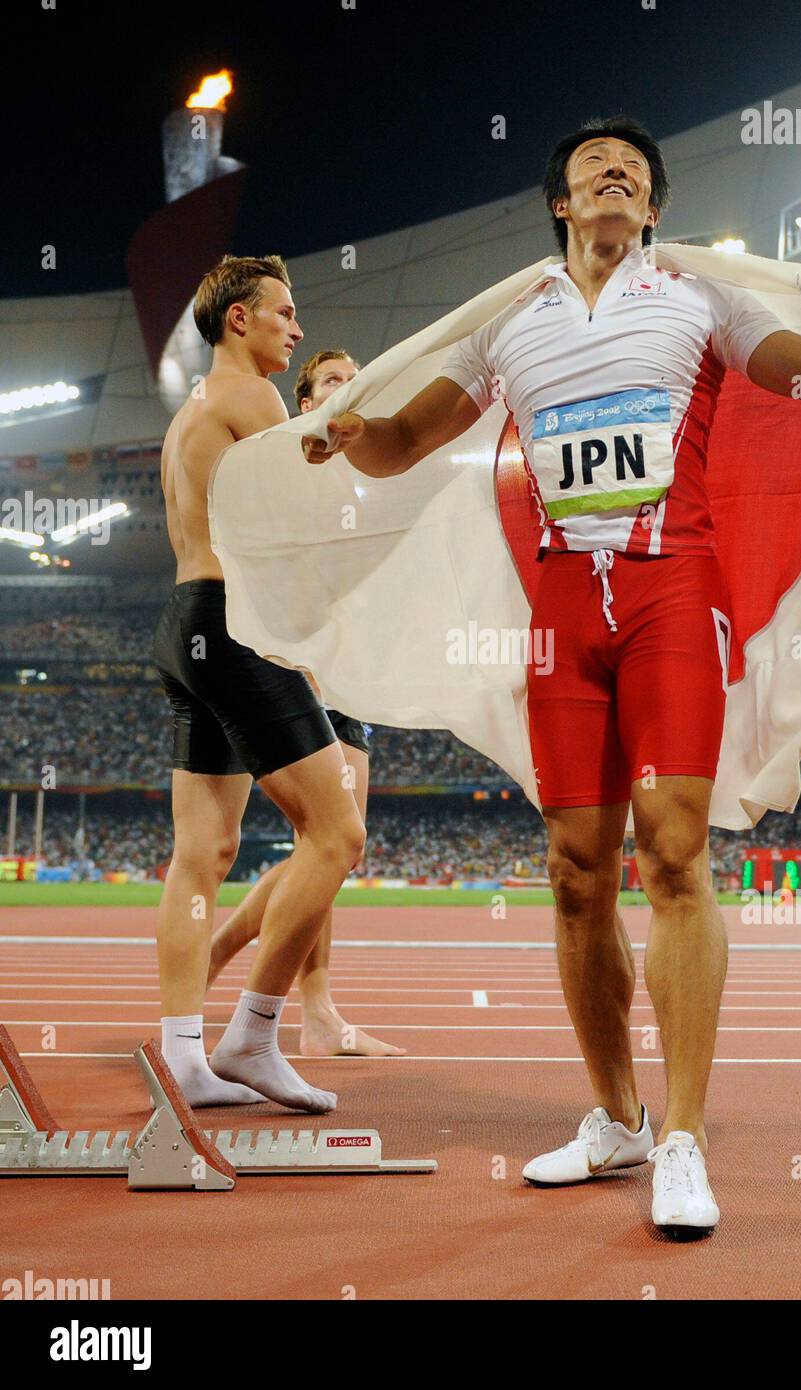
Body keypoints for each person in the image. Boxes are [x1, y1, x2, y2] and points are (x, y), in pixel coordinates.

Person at [301, 114, 801, 1232]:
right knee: (576, 869)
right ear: (562, 204)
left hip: (675, 592)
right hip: (561, 614)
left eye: (632, 170)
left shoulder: (697, 297)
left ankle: (683, 1136)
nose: (614, 175)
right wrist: (344, 435)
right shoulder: (509, 324)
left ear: (653, 207)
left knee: (672, 851)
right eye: (592, 169)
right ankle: (616, 1119)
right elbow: (399, 443)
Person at [153, 255, 366, 1111]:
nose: (298, 326)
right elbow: (301, 527)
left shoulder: (190, 417)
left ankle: (181, 1057)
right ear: (239, 320)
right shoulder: (254, 398)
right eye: (284, 312)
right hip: (233, 627)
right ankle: (252, 1033)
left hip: (183, 622)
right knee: (338, 834)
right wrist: (343, 446)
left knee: (202, 856)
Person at [207, 349, 404, 1059]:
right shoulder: (293, 464)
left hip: (356, 672)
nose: (344, 387)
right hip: (306, 665)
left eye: (355, 380)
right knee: (330, 838)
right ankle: (284, 994)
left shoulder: (376, 474)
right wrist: (298, 657)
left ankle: (302, 1002)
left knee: (331, 848)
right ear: (304, 399)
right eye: (329, 380)